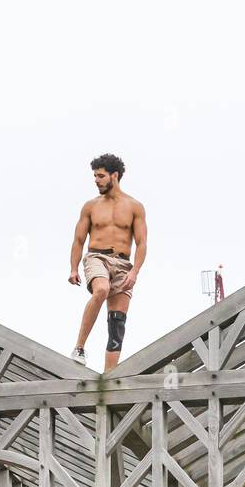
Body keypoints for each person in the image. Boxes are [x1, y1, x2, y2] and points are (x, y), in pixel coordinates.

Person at [68, 153, 147, 370]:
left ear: (115, 175)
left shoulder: (134, 207)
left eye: (101, 176)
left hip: (123, 264)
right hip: (97, 257)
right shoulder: (90, 206)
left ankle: (108, 376)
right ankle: (80, 347)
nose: (97, 180)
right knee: (101, 289)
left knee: (117, 322)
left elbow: (141, 244)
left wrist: (135, 272)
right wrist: (74, 268)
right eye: (95, 176)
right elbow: (78, 240)